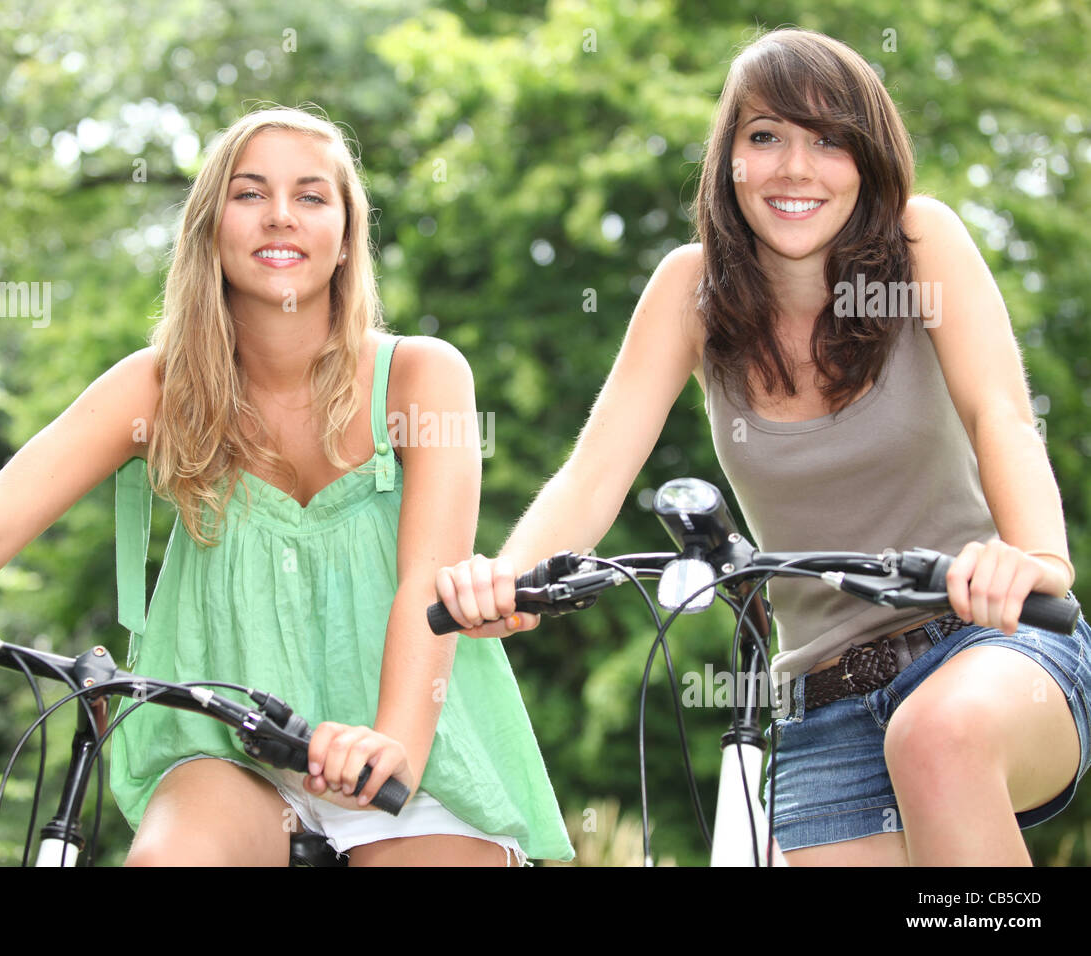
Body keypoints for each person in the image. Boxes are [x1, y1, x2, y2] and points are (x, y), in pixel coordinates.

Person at [0, 105, 573, 867]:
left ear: (345, 240)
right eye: (248, 193)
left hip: (410, 747)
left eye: (310, 196)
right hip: (226, 743)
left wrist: (392, 745)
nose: (279, 216)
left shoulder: (421, 376)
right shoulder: (158, 388)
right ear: (209, 230)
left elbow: (427, 590)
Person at [434, 29, 1088, 866]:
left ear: (868, 159)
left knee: (937, 735)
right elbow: (594, 472)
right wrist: (515, 577)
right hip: (822, 703)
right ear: (729, 160)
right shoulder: (691, 291)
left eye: (829, 140)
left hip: (983, 642)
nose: (795, 167)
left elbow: (1002, 413)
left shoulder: (921, 243)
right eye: (765, 136)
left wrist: (1036, 558)